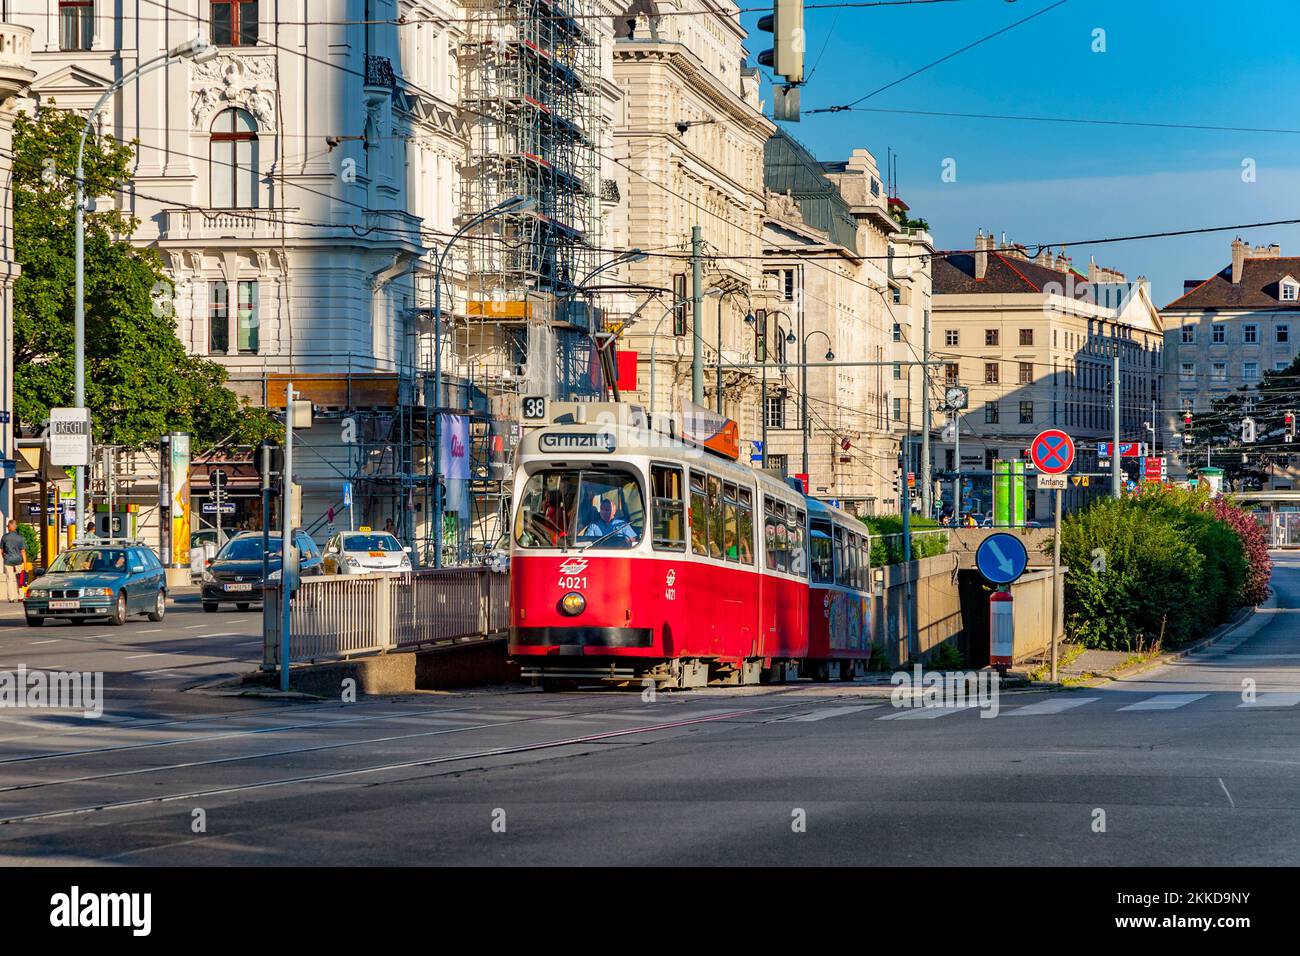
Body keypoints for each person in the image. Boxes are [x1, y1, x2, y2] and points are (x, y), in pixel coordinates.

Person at [2, 520, 27, 602]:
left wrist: (4, 558)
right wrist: (25, 564)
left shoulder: (4, 537)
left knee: (9, 579)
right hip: (18, 560)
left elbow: (1, 551)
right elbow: (23, 552)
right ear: (15, 527)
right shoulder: (21, 538)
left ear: (9, 527)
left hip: (8, 560)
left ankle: (11, 598)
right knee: (19, 578)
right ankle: (20, 597)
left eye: (8, 526)